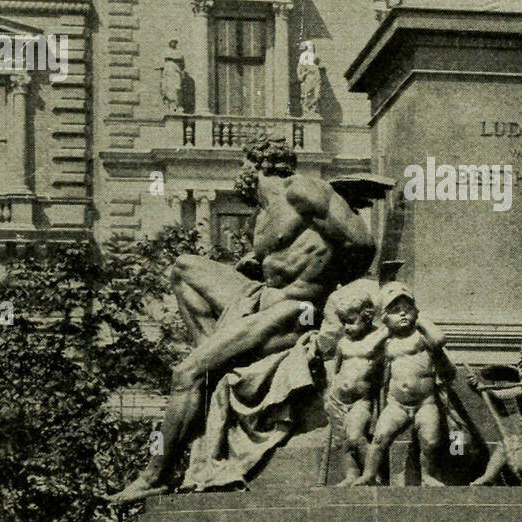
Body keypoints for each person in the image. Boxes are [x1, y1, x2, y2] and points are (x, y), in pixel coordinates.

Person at [110, 139, 384, 503]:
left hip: (294, 308)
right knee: (184, 268)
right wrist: (256, 265)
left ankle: (154, 475)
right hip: (259, 299)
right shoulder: (264, 211)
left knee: (186, 373)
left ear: (252, 165)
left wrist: (327, 288)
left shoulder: (302, 188)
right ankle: (215, 358)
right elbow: (283, 257)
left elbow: (362, 242)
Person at [354, 282, 454, 487]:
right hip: (396, 404)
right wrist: (383, 331)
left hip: (425, 403)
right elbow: (367, 351)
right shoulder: (388, 342)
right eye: (395, 311)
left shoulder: (422, 337)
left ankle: (428, 476)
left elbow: (439, 340)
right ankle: (369, 474)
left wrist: (423, 322)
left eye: (407, 309)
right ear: (384, 318)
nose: (402, 314)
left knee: (431, 440)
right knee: (380, 438)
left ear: (416, 312)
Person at [322, 282, 386, 485]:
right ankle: (350, 475)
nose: (346, 327)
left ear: (366, 317)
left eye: (350, 321)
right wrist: (331, 389)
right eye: (343, 322)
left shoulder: (379, 337)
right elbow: (336, 368)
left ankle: (374, 474)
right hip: (337, 399)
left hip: (362, 400)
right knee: (341, 442)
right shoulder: (343, 342)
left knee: (355, 437)